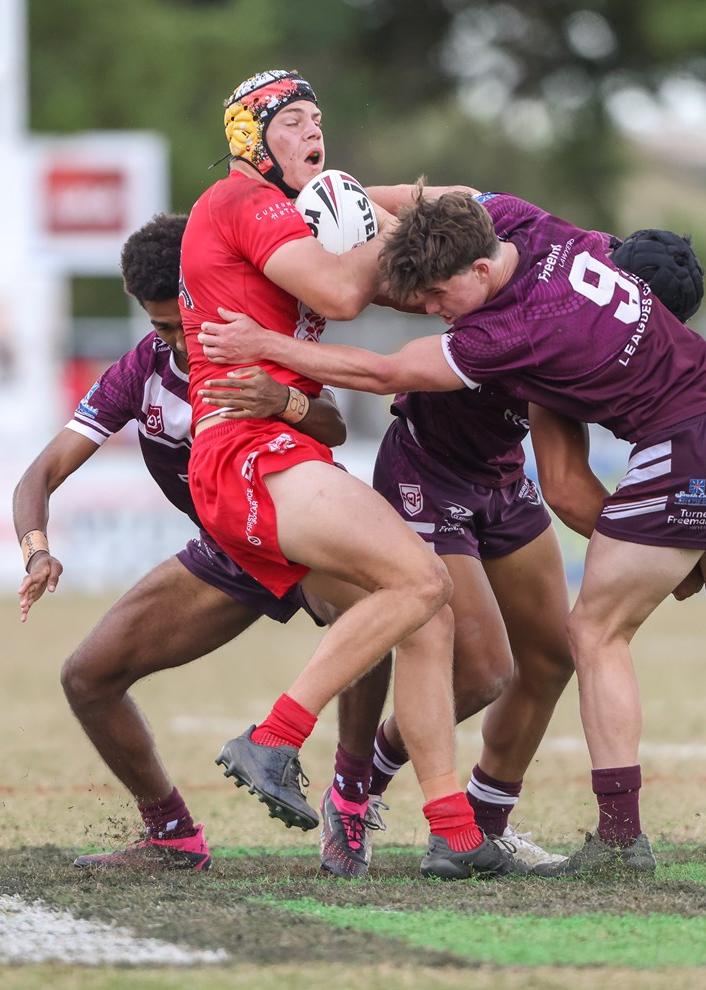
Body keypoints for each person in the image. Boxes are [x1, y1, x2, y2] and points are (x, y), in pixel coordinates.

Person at [196, 184, 706, 877]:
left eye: (437, 295)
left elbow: (397, 378)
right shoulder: (543, 232)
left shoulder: (518, 317)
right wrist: (348, 194)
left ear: (479, 270)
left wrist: (268, 345)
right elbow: (444, 196)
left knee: (590, 635)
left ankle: (619, 841)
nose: (430, 306)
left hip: (675, 449)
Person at [199, 223, 706, 879]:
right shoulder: (543, 318)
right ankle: (353, 794)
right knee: (479, 670)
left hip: (502, 479)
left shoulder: (589, 278)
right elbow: (388, 373)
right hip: (427, 478)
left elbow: (561, 481)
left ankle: (480, 825)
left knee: (550, 659)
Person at [177, 70, 524, 879]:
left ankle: (454, 832)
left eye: (317, 118)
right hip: (245, 452)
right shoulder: (242, 202)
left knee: (423, 614)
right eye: (292, 120)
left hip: (277, 448)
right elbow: (341, 286)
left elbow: (450, 210)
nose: (311, 130)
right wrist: (380, 223)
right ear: (251, 140)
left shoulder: (293, 204)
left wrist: (417, 204)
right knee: (421, 582)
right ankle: (273, 738)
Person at [13, 212, 352, 871]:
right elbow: (40, 474)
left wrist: (279, 401)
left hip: (296, 530)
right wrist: (36, 549)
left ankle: (354, 799)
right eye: (161, 326)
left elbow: (334, 425)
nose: (178, 339)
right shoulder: (140, 372)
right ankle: (171, 836)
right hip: (226, 551)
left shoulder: (251, 341)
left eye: (184, 322)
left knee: (371, 620)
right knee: (87, 678)